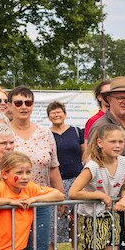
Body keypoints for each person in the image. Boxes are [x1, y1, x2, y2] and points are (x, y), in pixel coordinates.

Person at [7, 86, 64, 250]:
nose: (23, 107)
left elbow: (54, 168)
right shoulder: (3, 133)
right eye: (18, 102)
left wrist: (61, 197)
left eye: (28, 103)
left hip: (40, 204)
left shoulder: (44, 133)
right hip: (10, 205)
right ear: (10, 105)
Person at [48, 102, 86, 239]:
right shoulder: (46, 134)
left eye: (59, 112)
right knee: (53, 216)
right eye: (53, 113)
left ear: (65, 114)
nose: (56, 115)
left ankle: (74, 248)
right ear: (49, 117)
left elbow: (84, 152)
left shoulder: (76, 131)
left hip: (76, 179)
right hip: (54, 180)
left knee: (74, 216)